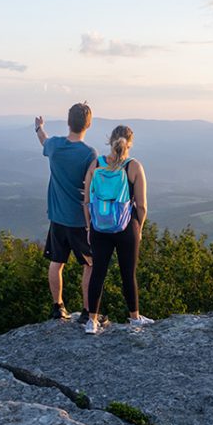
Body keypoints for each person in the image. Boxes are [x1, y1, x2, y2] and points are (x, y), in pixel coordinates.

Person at [82, 125, 154, 334]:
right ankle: (134, 318)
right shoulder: (134, 167)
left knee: (98, 273)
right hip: (126, 227)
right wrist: (139, 227)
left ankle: (92, 322)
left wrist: (89, 226)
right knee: (128, 274)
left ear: (110, 140)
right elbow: (141, 205)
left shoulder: (95, 164)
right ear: (129, 144)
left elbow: (86, 200)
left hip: (99, 227)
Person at [35, 102, 97, 321]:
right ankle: (88, 311)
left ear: (68, 122)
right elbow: (92, 185)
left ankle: (58, 307)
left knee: (57, 263)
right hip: (80, 219)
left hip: (57, 218)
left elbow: (43, 139)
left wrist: (39, 127)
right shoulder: (89, 153)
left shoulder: (55, 146)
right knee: (89, 264)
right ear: (87, 125)